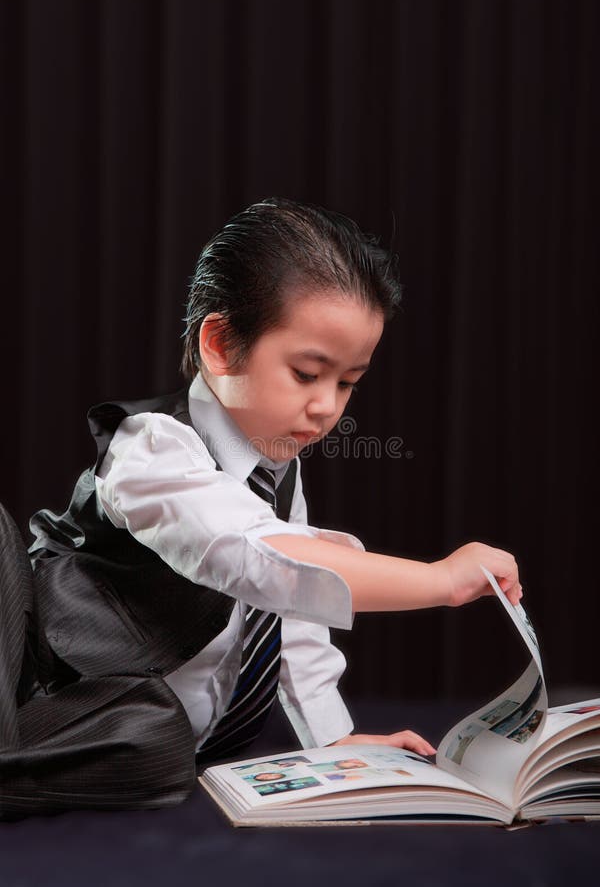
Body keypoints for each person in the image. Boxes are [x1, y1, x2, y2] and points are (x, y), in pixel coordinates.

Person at [0, 198, 522, 819]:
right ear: (220, 344)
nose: (328, 407)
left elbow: (292, 611)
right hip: (40, 680)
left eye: (347, 383)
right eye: (306, 374)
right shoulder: (152, 448)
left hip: (121, 723)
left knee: (159, 741)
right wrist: (438, 580)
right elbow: (252, 557)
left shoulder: (275, 469)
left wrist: (331, 737)